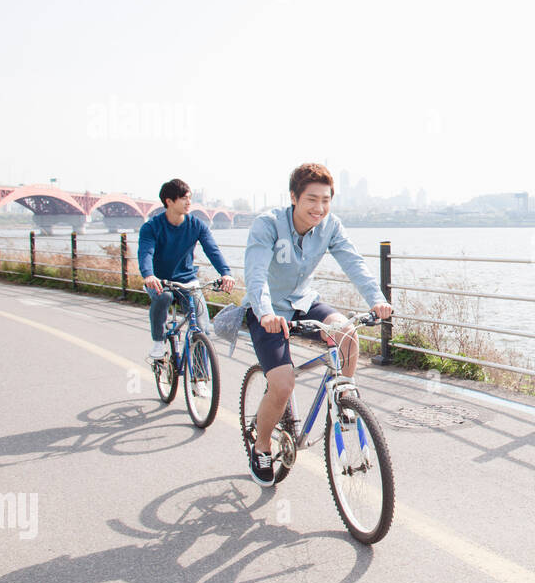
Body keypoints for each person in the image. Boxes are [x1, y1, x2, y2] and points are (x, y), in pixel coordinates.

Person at [242, 163, 392, 486]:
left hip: (304, 301)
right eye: (312, 199)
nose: (319, 208)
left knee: (347, 333)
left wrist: (376, 299)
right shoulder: (267, 226)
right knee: (282, 384)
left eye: (326, 200)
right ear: (294, 197)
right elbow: (255, 273)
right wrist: (265, 311)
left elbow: (354, 263)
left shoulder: (331, 226)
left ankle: (344, 401)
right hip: (268, 311)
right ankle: (262, 445)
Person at [138, 178, 234, 359]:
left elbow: (212, 250)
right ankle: (158, 342)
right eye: (183, 198)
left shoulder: (196, 225)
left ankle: (199, 380)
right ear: (169, 201)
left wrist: (226, 273)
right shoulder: (151, 227)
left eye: (189, 198)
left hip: (188, 282)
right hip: (160, 281)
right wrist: (149, 275)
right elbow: (146, 253)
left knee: (202, 328)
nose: (189, 202)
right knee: (164, 296)